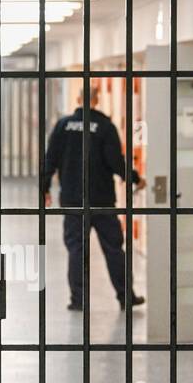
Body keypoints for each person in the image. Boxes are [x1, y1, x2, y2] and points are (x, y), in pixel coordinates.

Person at [41, 88, 147, 311]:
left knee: (77, 249)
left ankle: (78, 300)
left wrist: (45, 188)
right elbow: (116, 163)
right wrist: (135, 179)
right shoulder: (105, 127)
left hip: (72, 200)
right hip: (101, 200)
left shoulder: (63, 126)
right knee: (114, 249)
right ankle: (125, 296)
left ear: (79, 99)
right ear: (96, 99)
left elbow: (50, 159)